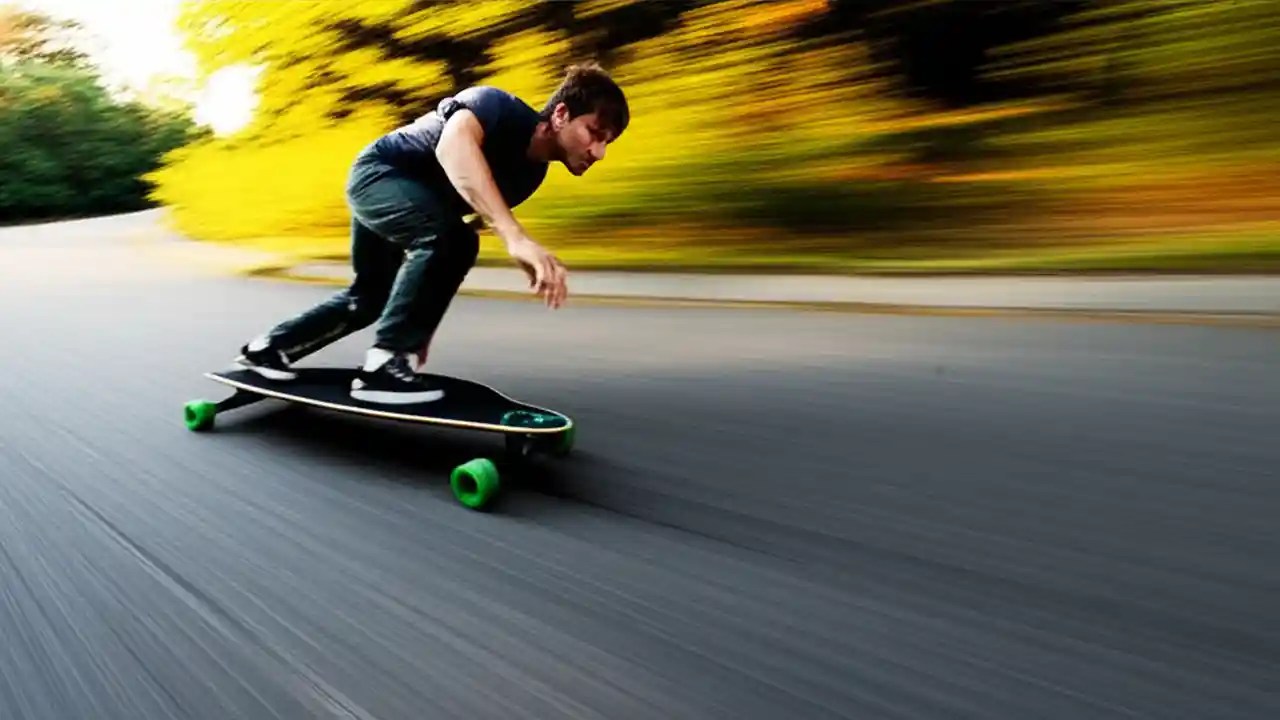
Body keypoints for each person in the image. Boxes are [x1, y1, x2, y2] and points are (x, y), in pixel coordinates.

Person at [230, 62, 629, 404]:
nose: (599, 153)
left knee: (369, 299)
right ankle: (382, 369)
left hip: (412, 203)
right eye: (594, 133)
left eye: (607, 143)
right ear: (560, 115)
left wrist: (420, 325)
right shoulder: (494, 105)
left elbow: (465, 220)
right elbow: (453, 149)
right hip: (381, 176)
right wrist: (514, 236)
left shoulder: (530, 175)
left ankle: (266, 350)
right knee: (451, 241)